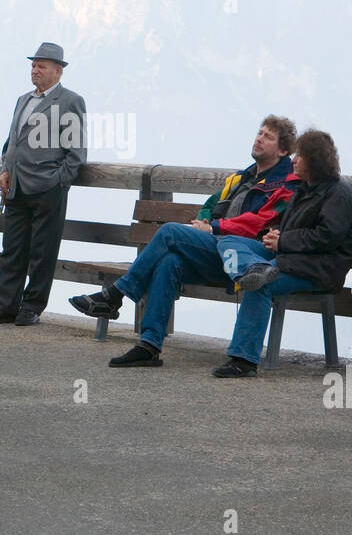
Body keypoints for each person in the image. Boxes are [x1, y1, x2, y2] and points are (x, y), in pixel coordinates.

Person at [71, 116, 298, 367]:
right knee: (169, 261)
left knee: (170, 232)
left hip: (245, 262)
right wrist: (203, 222)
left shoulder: (286, 185)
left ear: (283, 150)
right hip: (216, 251)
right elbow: (212, 204)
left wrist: (211, 227)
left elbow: (257, 222)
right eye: (259, 132)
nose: (259, 138)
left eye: (268, 136)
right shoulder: (243, 177)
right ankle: (149, 345)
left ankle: (115, 295)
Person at [212, 129, 352, 377]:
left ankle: (243, 360)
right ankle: (253, 268)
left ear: (315, 160)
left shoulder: (339, 194)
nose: (293, 160)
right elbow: (291, 226)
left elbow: (327, 236)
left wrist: (283, 241)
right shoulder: (304, 188)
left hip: (315, 269)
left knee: (260, 285)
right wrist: (275, 235)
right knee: (229, 242)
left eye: (299, 156)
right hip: (286, 258)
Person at [0, 42, 87, 327]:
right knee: (12, 249)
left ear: (58, 71)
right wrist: (5, 169)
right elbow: (12, 141)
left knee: (42, 251)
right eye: (33, 65)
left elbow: (76, 152)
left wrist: (59, 181)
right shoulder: (23, 99)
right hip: (16, 187)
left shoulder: (71, 101)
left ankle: (31, 307)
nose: (35, 70)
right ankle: (6, 306)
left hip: (48, 188)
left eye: (42, 66)